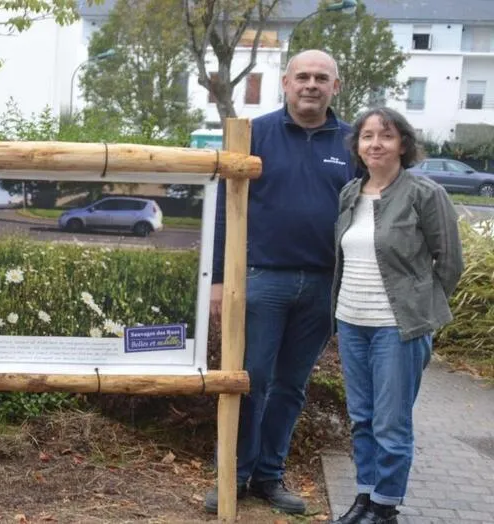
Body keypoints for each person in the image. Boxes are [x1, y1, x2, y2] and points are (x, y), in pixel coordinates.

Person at [206, 49, 358, 515]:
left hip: (323, 287)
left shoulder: (354, 142)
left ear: (336, 86)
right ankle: (232, 477)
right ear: (285, 83)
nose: (311, 85)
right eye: (303, 77)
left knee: (291, 386)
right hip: (261, 280)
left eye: (322, 78)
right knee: (249, 380)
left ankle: (270, 476)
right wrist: (216, 280)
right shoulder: (254, 135)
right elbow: (222, 210)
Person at [330, 108, 463, 524]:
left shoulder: (425, 194)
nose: (375, 144)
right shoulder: (350, 193)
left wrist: (422, 308)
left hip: (397, 328)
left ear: (402, 144)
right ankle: (365, 496)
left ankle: (386, 506)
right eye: (367, 136)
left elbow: (450, 262)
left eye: (385, 136)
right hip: (352, 321)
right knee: (362, 419)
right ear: (358, 146)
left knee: (391, 423)